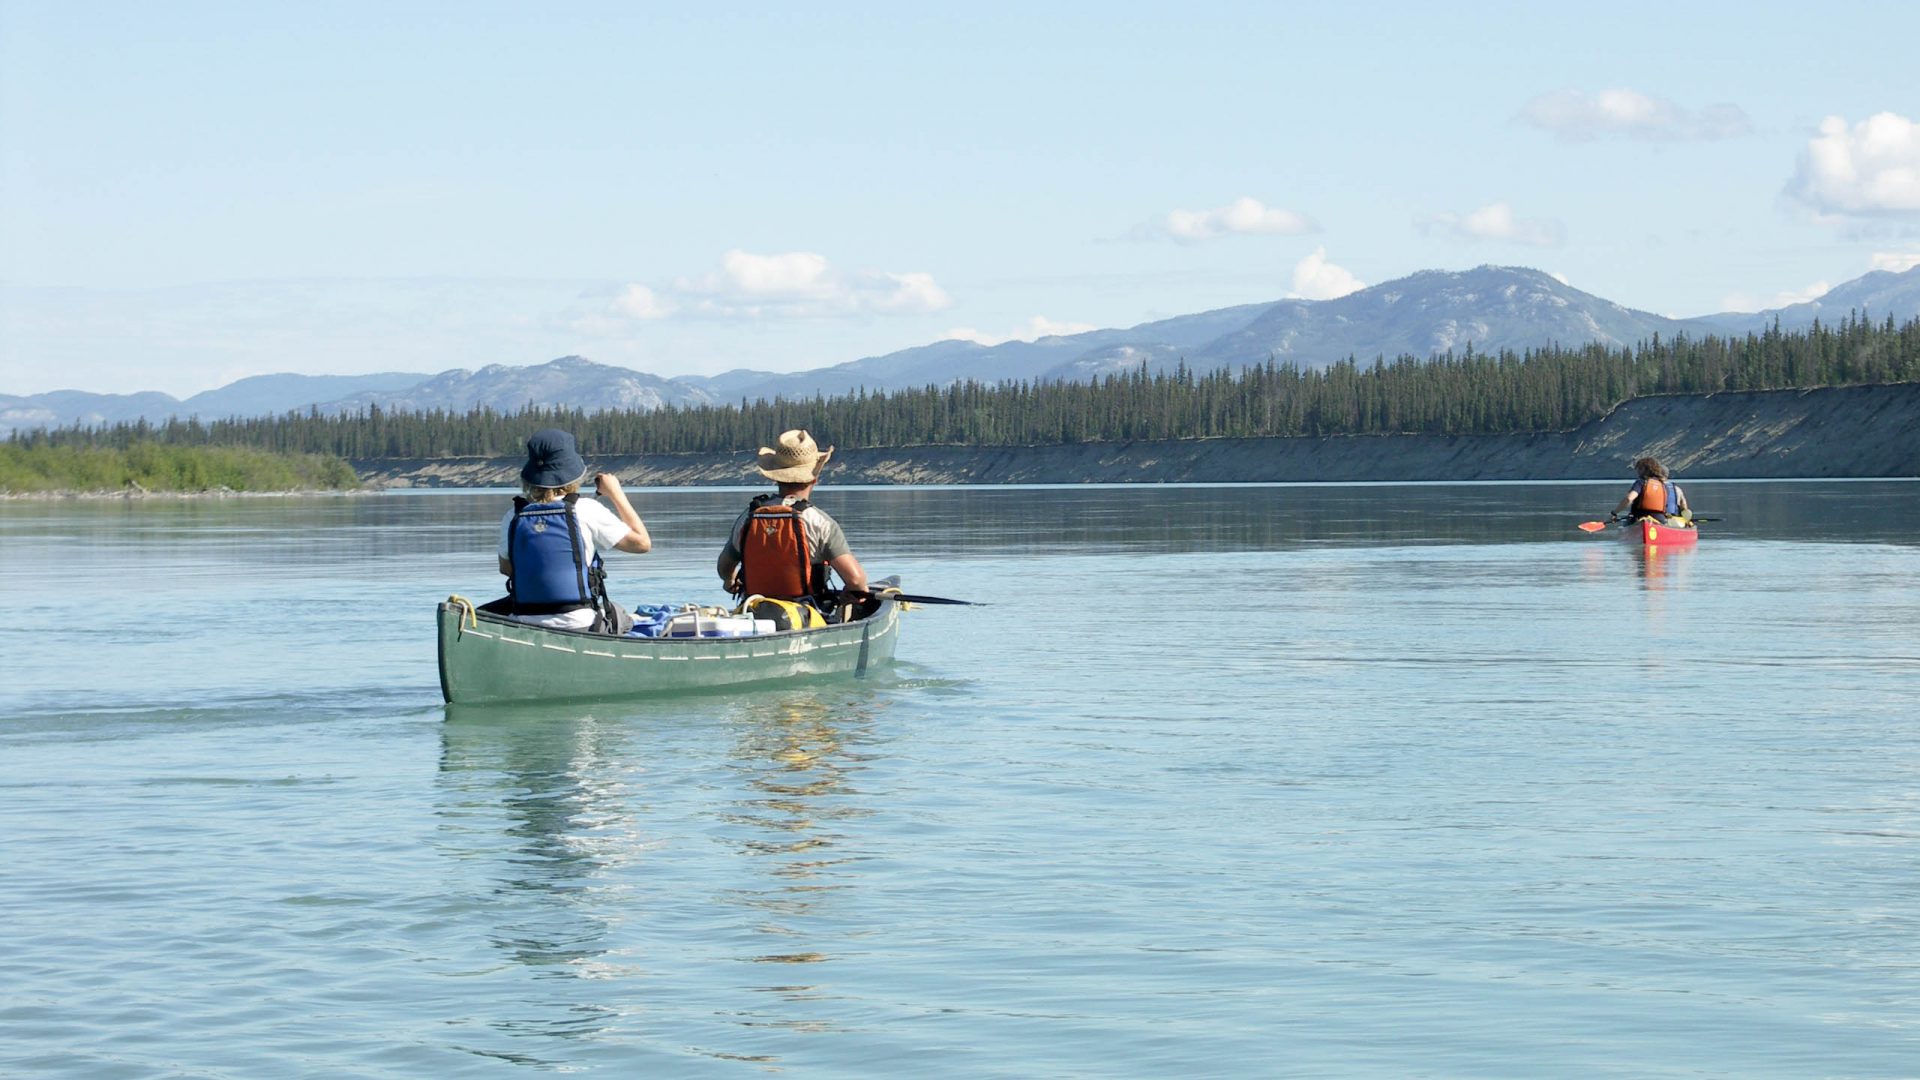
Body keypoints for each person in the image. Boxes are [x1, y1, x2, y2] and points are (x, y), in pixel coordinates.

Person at [490, 428, 651, 633]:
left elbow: (507, 569)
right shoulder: (586, 509)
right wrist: (615, 493)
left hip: (523, 621)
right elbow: (642, 544)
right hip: (579, 623)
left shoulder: (513, 515)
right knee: (622, 616)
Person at [716, 429, 869, 621]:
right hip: (805, 616)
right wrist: (853, 593)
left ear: (775, 476)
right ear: (815, 477)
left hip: (754, 614)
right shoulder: (820, 522)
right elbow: (856, 580)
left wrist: (729, 581)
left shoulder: (748, 517)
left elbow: (724, 566)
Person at [1610, 456, 1692, 524]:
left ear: (1645, 470)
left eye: (1639, 469)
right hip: (1660, 520)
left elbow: (1629, 499)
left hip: (1640, 519)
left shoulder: (1641, 483)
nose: (1638, 472)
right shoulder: (1664, 486)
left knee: (1625, 523)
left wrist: (1615, 512)